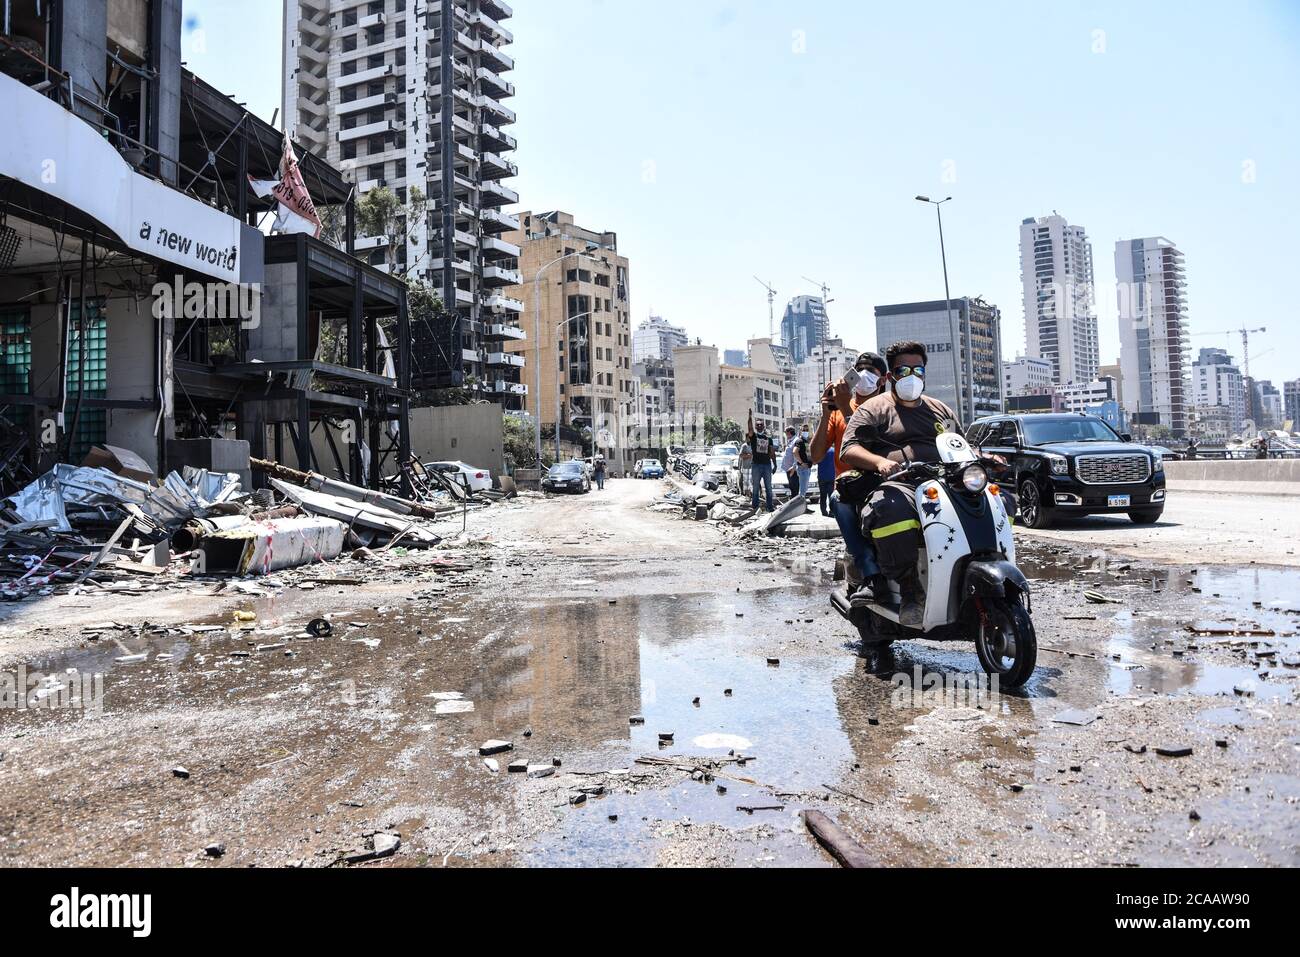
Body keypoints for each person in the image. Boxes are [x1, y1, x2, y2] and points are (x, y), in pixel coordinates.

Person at [840, 341, 1000, 627]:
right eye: (904, 369)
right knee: (890, 510)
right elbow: (848, 449)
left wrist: (985, 457)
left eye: (918, 369)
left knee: (998, 501)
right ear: (890, 376)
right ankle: (910, 587)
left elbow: (961, 446)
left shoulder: (941, 410)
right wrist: (880, 463)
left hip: (946, 481)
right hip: (900, 481)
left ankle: (987, 569)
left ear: (925, 373)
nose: (912, 375)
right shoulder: (874, 409)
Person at [810, 351, 889, 596]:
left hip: (883, 484)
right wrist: (826, 414)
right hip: (850, 489)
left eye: (871, 371)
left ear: (883, 379)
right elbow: (816, 455)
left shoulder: (888, 408)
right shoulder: (837, 412)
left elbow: (867, 445)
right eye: (859, 370)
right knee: (838, 500)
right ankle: (870, 572)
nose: (864, 376)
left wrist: (845, 407)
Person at [746, 411, 776, 512]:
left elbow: (772, 452)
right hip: (756, 465)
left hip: (767, 465)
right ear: (756, 426)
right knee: (755, 487)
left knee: (768, 487)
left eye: (761, 425)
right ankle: (754, 507)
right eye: (757, 425)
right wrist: (750, 417)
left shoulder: (768, 439)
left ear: (763, 426)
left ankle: (770, 507)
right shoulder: (754, 437)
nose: (759, 426)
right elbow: (749, 428)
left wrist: (775, 464)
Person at [793, 424, 813, 497]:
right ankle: (802, 508)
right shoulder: (799, 441)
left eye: (807, 430)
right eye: (804, 430)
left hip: (807, 468)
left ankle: (803, 507)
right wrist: (801, 463)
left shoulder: (807, 441)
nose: (805, 431)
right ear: (800, 431)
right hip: (803, 468)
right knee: (802, 491)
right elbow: (795, 452)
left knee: (804, 490)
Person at [816, 446, 836, 517]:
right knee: (831, 495)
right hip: (832, 476)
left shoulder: (820, 451)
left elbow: (815, 462)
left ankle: (823, 511)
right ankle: (832, 512)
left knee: (822, 495)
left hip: (822, 476)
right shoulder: (834, 450)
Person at [780, 426, 799, 494]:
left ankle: (796, 504)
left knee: (795, 489)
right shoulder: (790, 441)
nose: (785, 434)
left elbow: (796, 455)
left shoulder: (796, 441)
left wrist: (793, 468)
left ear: (789, 432)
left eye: (786, 432)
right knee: (792, 489)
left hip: (793, 471)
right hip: (788, 469)